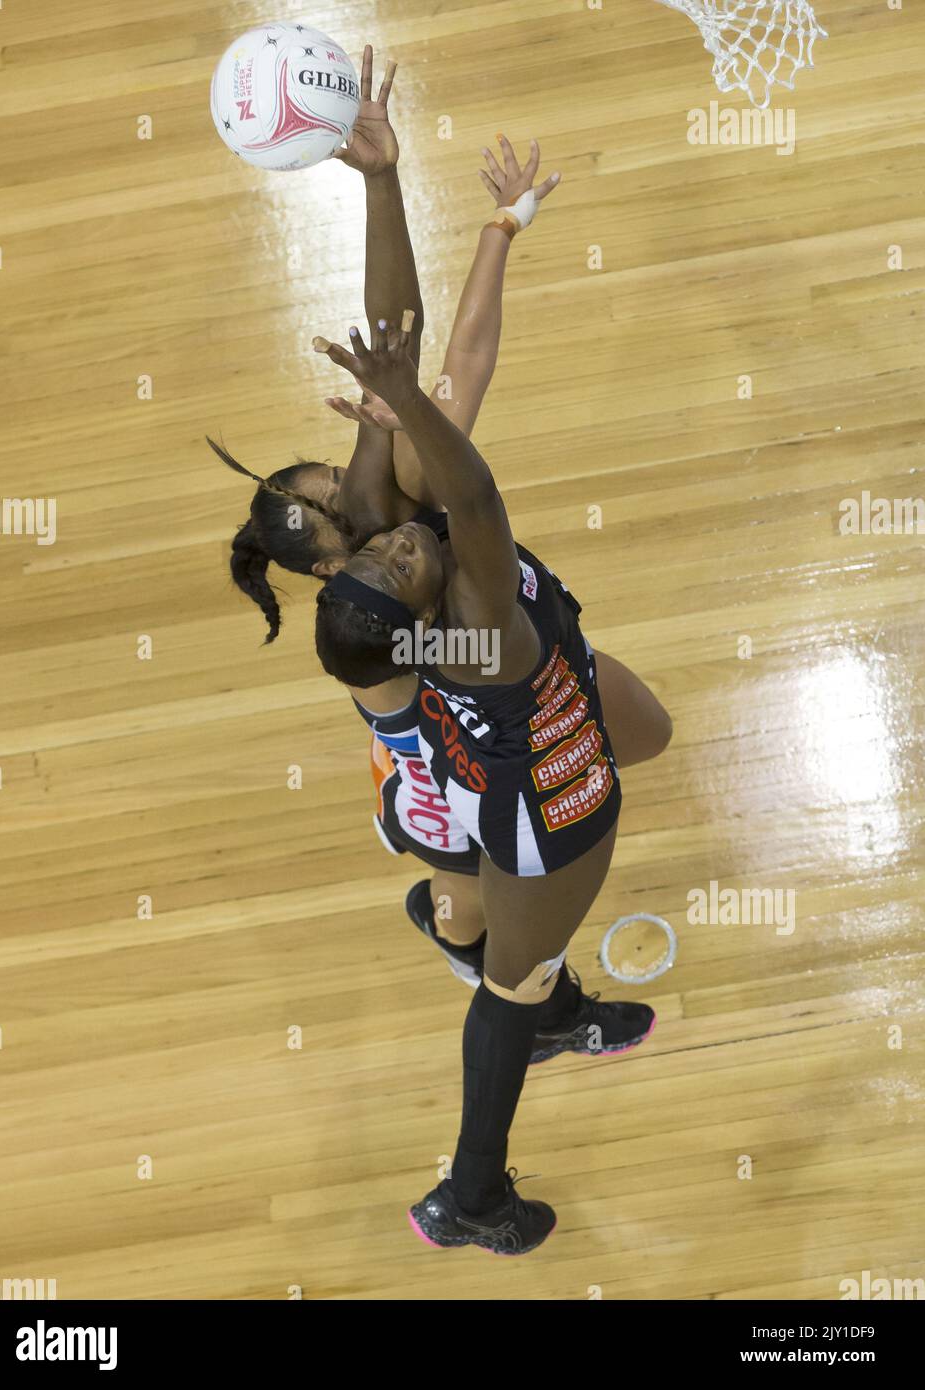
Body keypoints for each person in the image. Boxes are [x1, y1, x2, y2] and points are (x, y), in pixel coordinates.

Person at [310, 315, 668, 1252]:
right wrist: (413, 406)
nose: (391, 544)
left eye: (380, 548)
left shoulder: (419, 597)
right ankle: (471, 1195)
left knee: (653, 734)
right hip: (552, 810)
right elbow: (475, 496)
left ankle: (490, 943)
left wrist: (382, 182)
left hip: (543, 734)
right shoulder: (484, 630)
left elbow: (431, 337)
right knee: (510, 988)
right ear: (419, 604)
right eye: (390, 560)